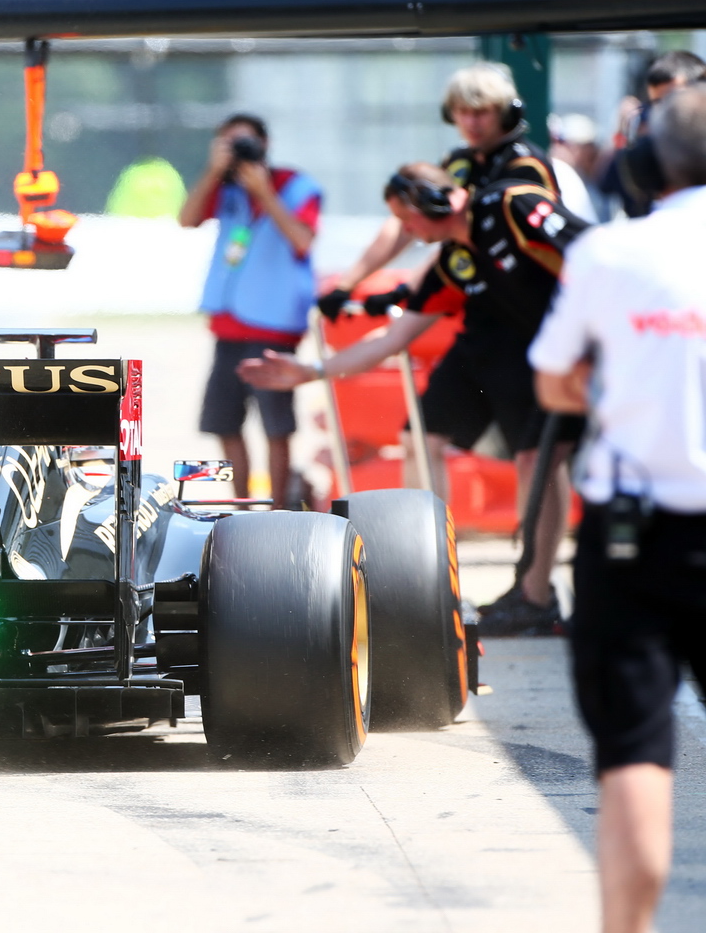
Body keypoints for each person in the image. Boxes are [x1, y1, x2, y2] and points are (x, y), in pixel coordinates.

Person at [238, 162, 589, 636]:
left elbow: (592, 252)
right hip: (504, 356)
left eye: (408, 219)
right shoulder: (454, 260)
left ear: (437, 201)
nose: (407, 232)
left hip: (578, 358)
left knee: (541, 463)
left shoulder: (511, 205)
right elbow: (391, 339)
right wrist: (309, 371)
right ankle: (427, 581)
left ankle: (540, 594)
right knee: (427, 439)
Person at [529, 83, 706, 933]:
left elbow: (553, 378)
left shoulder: (609, 254)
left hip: (636, 535)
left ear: (641, 164)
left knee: (635, 756)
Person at [316, 62, 558, 320]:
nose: (470, 122)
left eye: (481, 112)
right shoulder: (458, 162)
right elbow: (409, 222)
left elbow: (467, 237)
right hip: (479, 298)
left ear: (506, 113)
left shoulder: (526, 166)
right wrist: (347, 285)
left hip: (526, 302)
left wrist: (408, 289)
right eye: (461, 112)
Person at [178, 113, 321, 507]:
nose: (239, 153)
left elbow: (302, 239)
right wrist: (213, 171)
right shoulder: (225, 189)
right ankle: (241, 506)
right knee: (225, 423)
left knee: (277, 427)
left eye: (245, 144)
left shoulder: (296, 186)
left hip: (274, 326)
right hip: (228, 325)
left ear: (265, 145)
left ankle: (277, 510)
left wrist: (265, 194)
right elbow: (186, 219)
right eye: (229, 144)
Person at [596, 50, 706, 219]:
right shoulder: (646, 131)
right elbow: (607, 184)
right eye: (656, 103)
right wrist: (622, 134)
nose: (661, 114)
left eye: (672, 101)